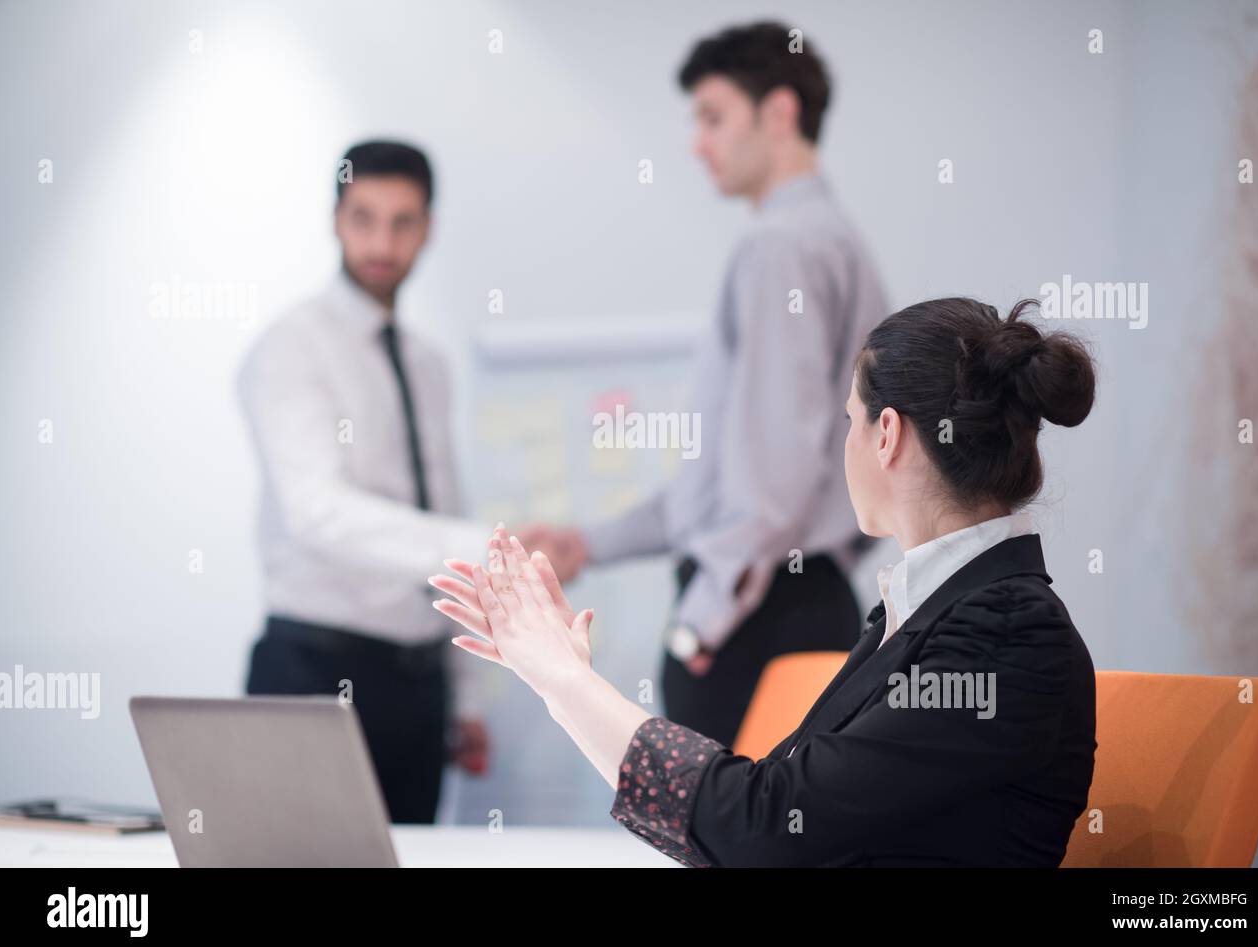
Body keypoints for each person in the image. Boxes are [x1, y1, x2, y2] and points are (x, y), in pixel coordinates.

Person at [431, 296, 1099, 866]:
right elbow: (764, 818)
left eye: (849, 421)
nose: (845, 443)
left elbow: (766, 827)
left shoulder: (1004, 633)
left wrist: (567, 683)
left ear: (886, 433)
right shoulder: (936, 611)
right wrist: (564, 685)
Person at [523, 21, 889, 748]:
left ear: (780, 112)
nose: (697, 142)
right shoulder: (838, 241)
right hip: (800, 599)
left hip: (751, 623)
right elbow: (741, 479)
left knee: (724, 845)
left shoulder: (779, 247)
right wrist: (589, 542)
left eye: (713, 116)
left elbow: (772, 483)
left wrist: (700, 622)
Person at [237, 140, 495, 823]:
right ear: (335, 219)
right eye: (365, 217)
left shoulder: (429, 365)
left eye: (403, 221)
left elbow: (439, 510)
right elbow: (316, 511)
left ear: (428, 228)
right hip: (314, 673)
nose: (383, 241)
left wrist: (465, 692)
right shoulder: (291, 346)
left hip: (418, 686)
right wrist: (488, 544)